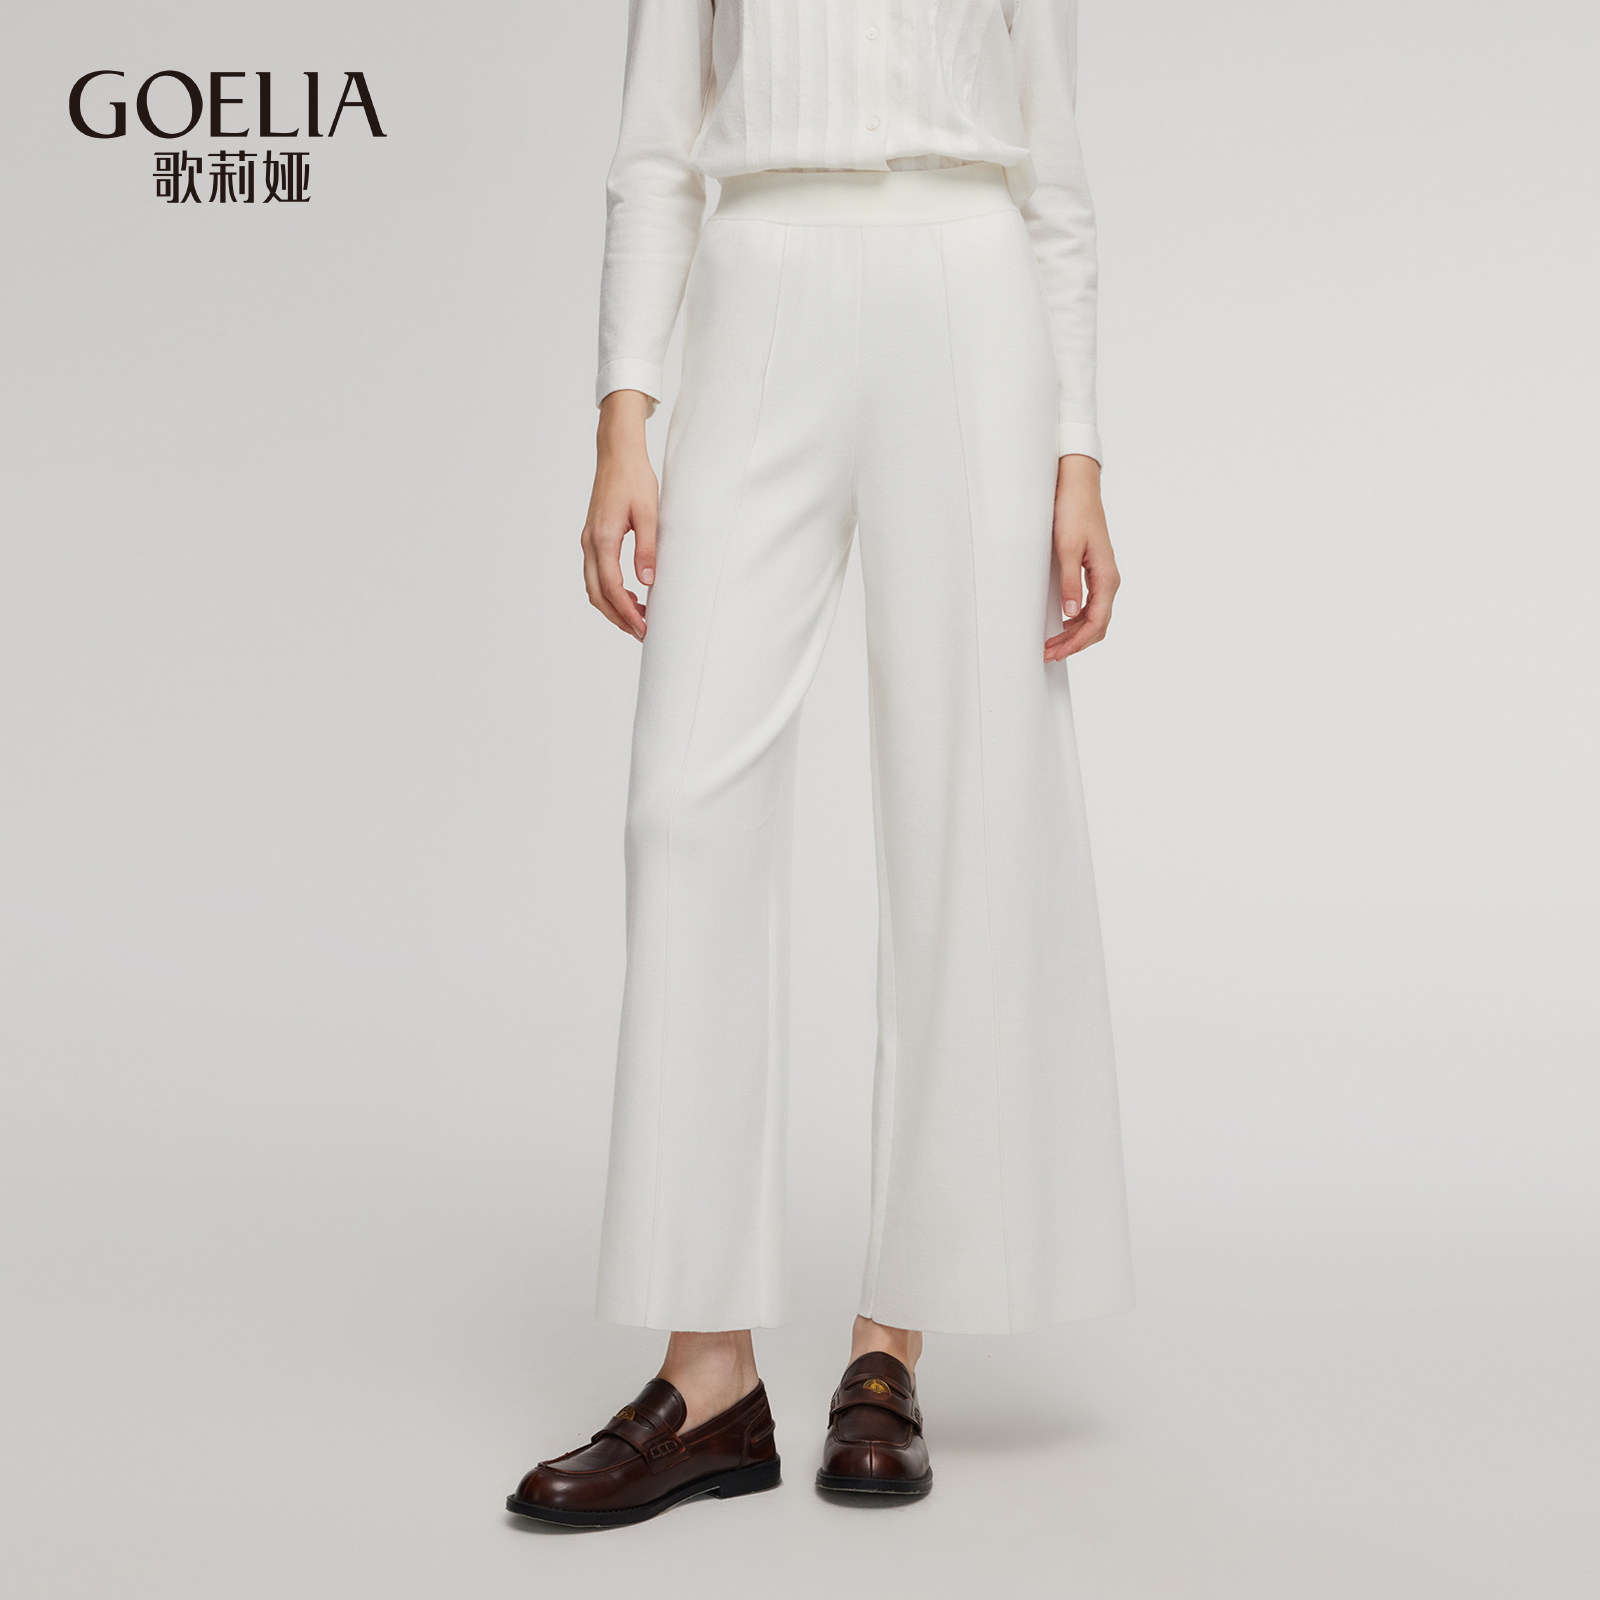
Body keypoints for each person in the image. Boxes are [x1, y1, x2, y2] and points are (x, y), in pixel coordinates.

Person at [507, 0, 1134, 1528]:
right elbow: (655, 143)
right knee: (685, 808)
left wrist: (1078, 450)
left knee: (966, 808)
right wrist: (624, 415)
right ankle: (707, 1375)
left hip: (967, 279)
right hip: (762, 275)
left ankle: (889, 1345)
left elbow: (1055, 167)